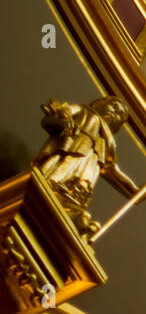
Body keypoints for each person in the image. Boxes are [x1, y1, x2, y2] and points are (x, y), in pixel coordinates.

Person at [32, 96, 134, 238]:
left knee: (77, 205)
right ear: (100, 104)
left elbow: (133, 191)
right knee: (52, 182)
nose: (116, 113)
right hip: (64, 161)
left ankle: (76, 217)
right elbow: (60, 114)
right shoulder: (85, 112)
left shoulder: (106, 147)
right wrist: (65, 120)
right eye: (114, 107)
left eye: (120, 115)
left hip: (77, 192)